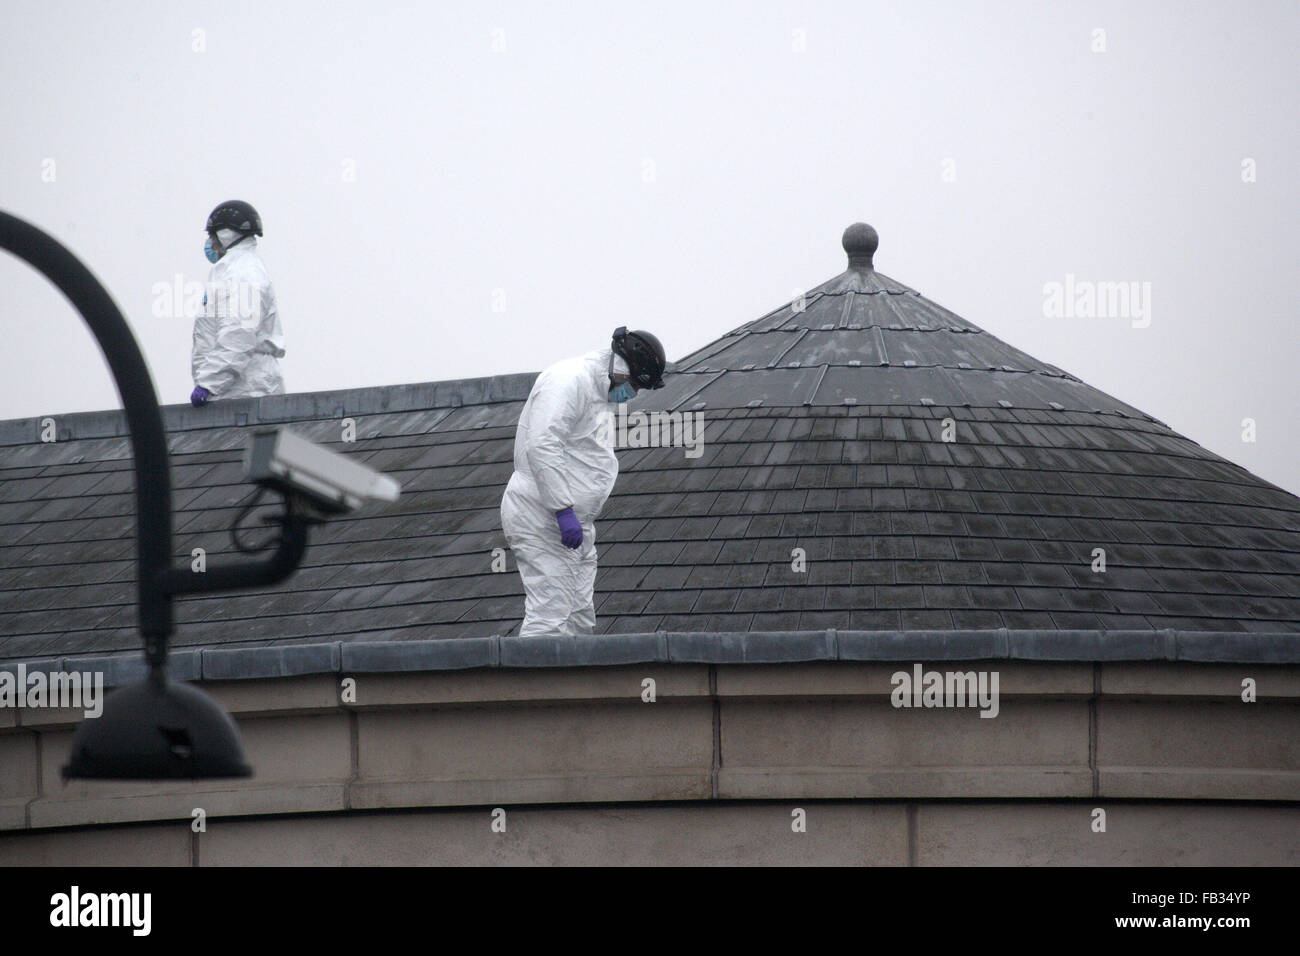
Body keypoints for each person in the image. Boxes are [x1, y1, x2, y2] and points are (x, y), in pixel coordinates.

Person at [501, 327, 666, 636]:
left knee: (578, 619)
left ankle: (570, 685)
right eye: (634, 386)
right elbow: (541, 445)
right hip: (540, 515)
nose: (633, 394)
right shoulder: (569, 380)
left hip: (573, 524)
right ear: (621, 368)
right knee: (550, 618)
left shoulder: (600, 392)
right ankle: (531, 685)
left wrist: (572, 515)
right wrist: (563, 510)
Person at [190, 200, 285, 406]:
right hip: (232, 387)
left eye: (212, 235)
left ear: (225, 234)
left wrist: (208, 383)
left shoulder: (244, 272)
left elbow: (239, 333)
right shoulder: (231, 269)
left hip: (247, 390)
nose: (209, 243)